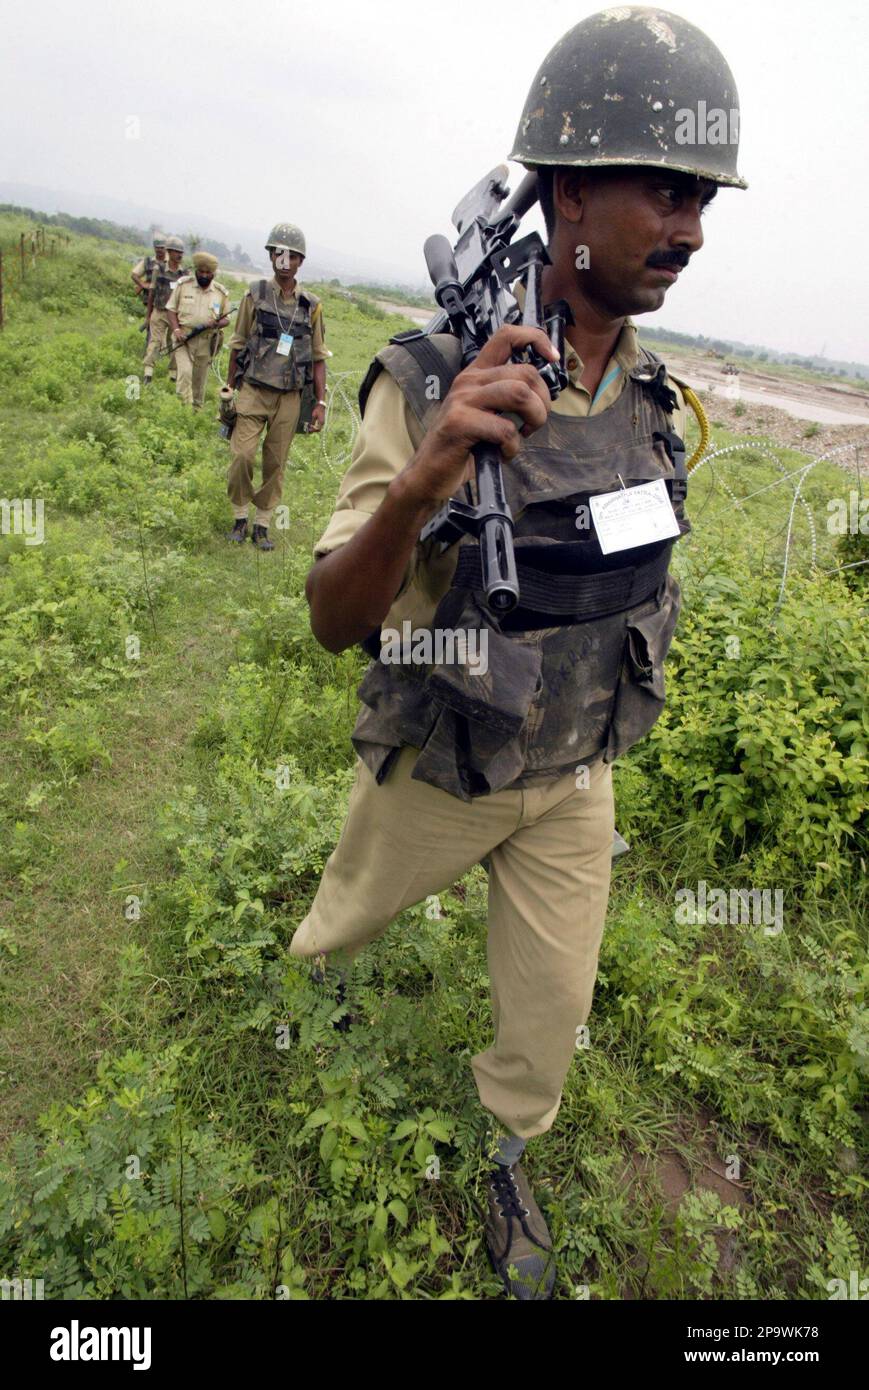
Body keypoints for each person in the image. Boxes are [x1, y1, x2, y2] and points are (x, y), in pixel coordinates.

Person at [292, 5, 747, 1300]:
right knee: (345, 913)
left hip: (574, 772)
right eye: (663, 190)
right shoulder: (429, 373)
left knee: (548, 1012)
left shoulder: (653, 400)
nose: (691, 228)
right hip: (447, 757)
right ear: (564, 191)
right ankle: (319, 968)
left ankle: (505, 1153)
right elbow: (333, 613)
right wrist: (427, 474)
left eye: (702, 196)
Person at [225, 223, 328, 551]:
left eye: (292, 255)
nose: (285, 260)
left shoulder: (311, 305)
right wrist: (229, 388)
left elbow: (318, 357)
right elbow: (238, 343)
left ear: (300, 261)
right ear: (271, 257)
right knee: (242, 456)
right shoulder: (254, 294)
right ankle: (240, 518)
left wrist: (321, 403)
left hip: (290, 396)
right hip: (254, 389)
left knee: (276, 462)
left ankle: (262, 526)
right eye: (279, 253)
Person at [165, 251, 231, 409]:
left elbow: (227, 319)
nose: (204, 275)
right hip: (184, 339)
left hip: (206, 342)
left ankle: (196, 411)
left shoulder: (220, 293)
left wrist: (215, 324)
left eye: (208, 272)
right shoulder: (184, 285)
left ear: (213, 274)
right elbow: (171, 309)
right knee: (185, 374)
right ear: (196, 271)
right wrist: (176, 330)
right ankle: (182, 409)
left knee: (199, 380)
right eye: (201, 271)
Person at [143, 235, 187, 385]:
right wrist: (148, 315)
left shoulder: (184, 274)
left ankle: (173, 375)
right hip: (160, 311)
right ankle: (148, 373)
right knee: (155, 342)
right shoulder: (159, 269)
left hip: (176, 315)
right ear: (169, 252)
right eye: (176, 251)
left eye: (181, 252)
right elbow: (152, 291)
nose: (179, 255)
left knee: (176, 343)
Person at [131, 233, 166, 304]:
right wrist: (143, 284)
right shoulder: (148, 261)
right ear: (154, 247)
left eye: (162, 247)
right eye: (157, 247)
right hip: (149, 298)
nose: (159, 250)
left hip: (164, 300)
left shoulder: (170, 262)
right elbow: (134, 275)